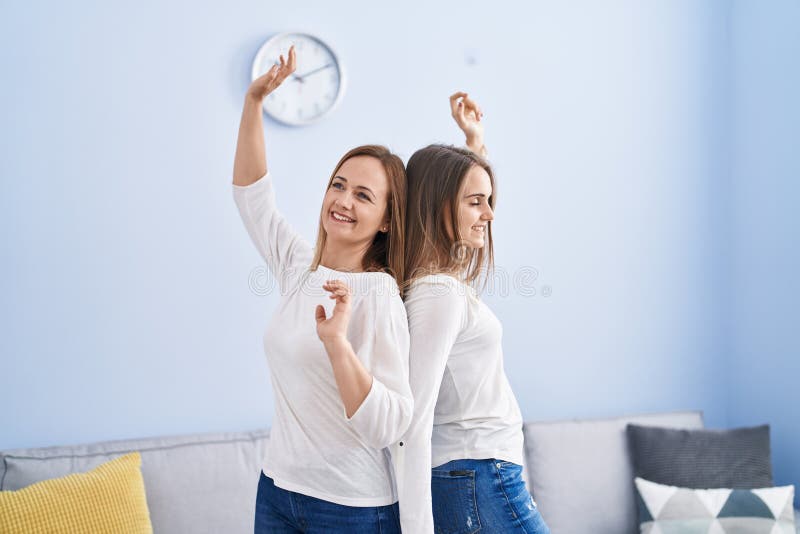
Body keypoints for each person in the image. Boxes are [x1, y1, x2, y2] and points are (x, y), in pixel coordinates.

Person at [232, 46, 412, 533]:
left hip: (352, 509)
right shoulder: (297, 268)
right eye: (338, 184)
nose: (342, 201)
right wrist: (254, 102)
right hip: (276, 491)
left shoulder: (379, 296)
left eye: (363, 195)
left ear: (387, 221)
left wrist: (336, 344)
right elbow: (253, 199)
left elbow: (391, 424)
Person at [395, 92, 551, 533]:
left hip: (479, 473)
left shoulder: (441, 279)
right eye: (475, 202)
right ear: (438, 205)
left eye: (489, 199)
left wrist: (473, 141)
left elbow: (454, 201)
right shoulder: (438, 294)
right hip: (478, 475)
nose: (490, 214)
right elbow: (414, 418)